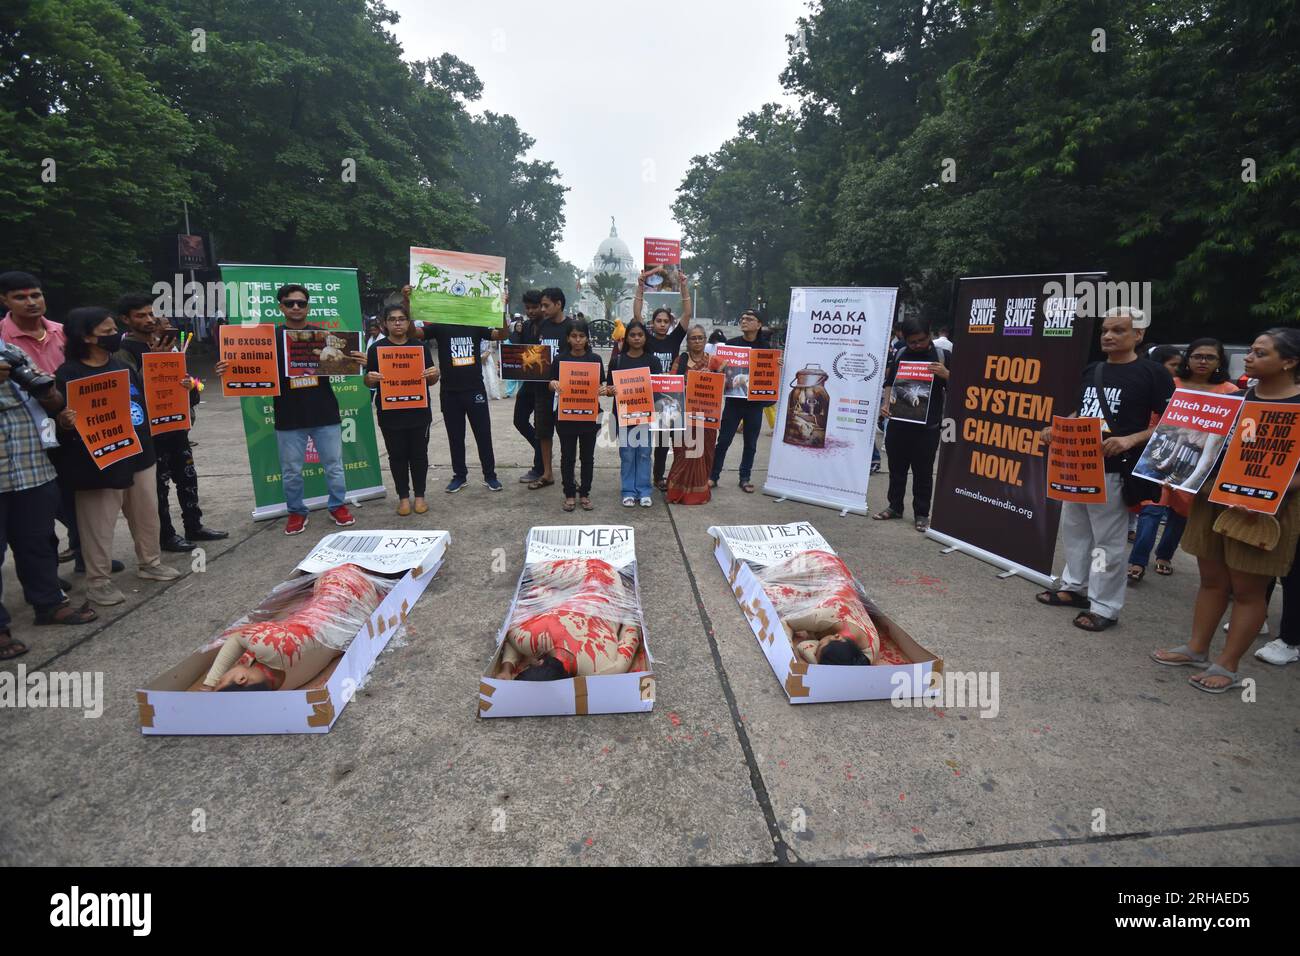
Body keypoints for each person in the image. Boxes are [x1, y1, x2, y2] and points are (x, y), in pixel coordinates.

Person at [1152, 328, 1300, 690]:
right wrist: (1177, 467)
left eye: (1261, 353)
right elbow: (1203, 444)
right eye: (1250, 351)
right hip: (1213, 498)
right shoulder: (1234, 398)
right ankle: (1196, 648)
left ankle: (1227, 665)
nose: (1249, 358)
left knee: (1248, 591)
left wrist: (1264, 494)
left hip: (1263, 511)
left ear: (1290, 362)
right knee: (1212, 581)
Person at [1037, 307, 1175, 631]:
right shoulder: (1094, 370)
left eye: (1118, 330)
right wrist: (1058, 427)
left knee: (1108, 543)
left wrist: (1131, 439)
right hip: (1077, 465)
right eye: (1104, 330)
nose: (1109, 336)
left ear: (1138, 335)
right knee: (1075, 533)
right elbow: (1084, 410)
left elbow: (1173, 423)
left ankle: (1104, 606)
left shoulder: (1152, 374)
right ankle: (1074, 588)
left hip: (1114, 469)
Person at [54, 308, 182, 606]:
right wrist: (65, 421)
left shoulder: (121, 366)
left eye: (114, 330)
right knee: (97, 525)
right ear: (86, 337)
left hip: (139, 451)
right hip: (98, 460)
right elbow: (61, 419)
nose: (113, 336)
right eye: (107, 331)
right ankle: (98, 582)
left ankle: (150, 563)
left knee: (147, 514)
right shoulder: (69, 373)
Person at [214, 284, 363, 535]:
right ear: (280, 306)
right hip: (288, 415)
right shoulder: (268, 339)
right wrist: (227, 369)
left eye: (301, 303)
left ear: (308, 306)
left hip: (324, 413)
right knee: (292, 470)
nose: (296, 307)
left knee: (334, 466)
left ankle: (337, 506)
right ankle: (296, 511)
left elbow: (345, 362)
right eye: (290, 303)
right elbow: (244, 363)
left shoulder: (324, 337)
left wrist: (358, 360)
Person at [0, 332, 97, 657]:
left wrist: (47, 390)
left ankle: (49, 603)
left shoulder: (11, 352)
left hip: (32, 467)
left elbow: (54, 405)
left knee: (39, 542)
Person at [115, 294, 227, 553]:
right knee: (158, 486)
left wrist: (190, 387)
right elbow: (130, 391)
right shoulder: (123, 352)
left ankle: (194, 526)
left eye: (150, 313)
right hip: (149, 431)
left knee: (187, 477)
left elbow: (184, 380)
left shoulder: (168, 345)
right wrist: (154, 362)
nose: (149, 319)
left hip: (176, 424)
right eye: (140, 315)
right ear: (126, 319)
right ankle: (166, 535)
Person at [1128, 339, 1236, 581]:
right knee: (1152, 508)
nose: (1202, 361)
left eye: (1210, 357)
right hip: (1161, 452)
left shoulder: (1229, 391)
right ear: (1188, 358)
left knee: (1181, 512)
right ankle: (1137, 561)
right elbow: (1155, 415)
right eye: (1197, 356)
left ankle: (1165, 555)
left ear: (1220, 362)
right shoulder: (1171, 384)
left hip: (1198, 460)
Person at [399, 286, 510, 493]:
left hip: (475, 389)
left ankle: (490, 475)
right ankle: (460, 476)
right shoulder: (440, 326)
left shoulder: (475, 325)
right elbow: (414, 332)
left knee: (483, 434)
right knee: (455, 436)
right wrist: (408, 303)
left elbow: (502, 334)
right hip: (450, 391)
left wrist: (502, 308)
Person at [873, 317, 950, 532]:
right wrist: (886, 404)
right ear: (904, 339)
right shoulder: (900, 353)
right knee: (896, 469)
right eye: (912, 342)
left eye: (921, 340)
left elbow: (964, 388)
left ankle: (922, 514)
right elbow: (890, 383)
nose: (917, 345)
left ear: (930, 334)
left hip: (927, 428)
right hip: (898, 423)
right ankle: (894, 506)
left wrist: (947, 374)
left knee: (923, 473)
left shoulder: (942, 355)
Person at [365, 304, 438, 516]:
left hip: (418, 411)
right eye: (392, 319)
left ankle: (420, 496)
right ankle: (403, 498)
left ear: (408, 323)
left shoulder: (420, 347)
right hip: (390, 413)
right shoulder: (376, 350)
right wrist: (368, 379)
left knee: (419, 455)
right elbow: (369, 382)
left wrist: (435, 374)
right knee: (396, 456)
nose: (397, 322)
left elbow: (432, 380)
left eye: (402, 319)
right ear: (385, 324)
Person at [633, 268, 694, 489]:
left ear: (669, 323)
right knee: (642, 439)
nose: (661, 324)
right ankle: (639, 475)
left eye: (665, 321)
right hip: (647, 395)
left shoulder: (674, 339)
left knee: (662, 440)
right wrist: (640, 287)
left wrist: (684, 286)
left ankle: (658, 477)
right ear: (653, 322)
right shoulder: (646, 338)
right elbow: (637, 316)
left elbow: (687, 315)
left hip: (669, 397)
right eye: (657, 320)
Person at [709, 310, 775, 493]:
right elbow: (716, 374)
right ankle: (713, 476)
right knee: (723, 441)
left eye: (749, 319)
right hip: (733, 403)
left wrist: (776, 365)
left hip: (754, 405)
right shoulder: (731, 345)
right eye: (743, 318)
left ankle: (745, 478)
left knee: (751, 444)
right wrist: (718, 367)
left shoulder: (766, 348)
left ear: (759, 324)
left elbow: (772, 375)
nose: (744, 321)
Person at [550, 321, 605, 512]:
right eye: (574, 336)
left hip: (590, 416)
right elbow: (550, 382)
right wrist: (554, 383)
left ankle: (585, 493)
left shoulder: (595, 359)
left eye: (582, 336)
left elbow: (600, 386)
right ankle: (569, 494)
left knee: (587, 457)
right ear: (568, 338)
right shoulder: (559, 360)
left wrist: (604, 390)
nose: (578, 340)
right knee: (567, 457)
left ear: (587, 338)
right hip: (566, 416)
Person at [666, 325, 722, 504]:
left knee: (704, 453)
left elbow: (729, 383)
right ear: (687, 341)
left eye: (700, 338)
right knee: (683, 455)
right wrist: (690, 380)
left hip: (706, 417)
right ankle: (677, 491)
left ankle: (699, 492)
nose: (697, 341)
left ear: (705, 340)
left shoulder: (714, 361)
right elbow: (670, 384)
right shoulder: (680, 361)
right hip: (684, 416)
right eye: (693, 338)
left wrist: (711, 376)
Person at [527, 288, 575, 490]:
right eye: (542, 305)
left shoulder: (571, 327)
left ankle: (569, 475)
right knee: (543, 432)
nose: (543, 309)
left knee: (567, 435)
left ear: (559, 304)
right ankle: (547, 473)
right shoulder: (542, 326)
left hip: (565, 391)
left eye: (547, 305)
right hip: (543, 388)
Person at [606, 320, 656, 507]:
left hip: (645, 416)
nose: (636, 338)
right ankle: (628, 490)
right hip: (624, 415)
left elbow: (657, 389)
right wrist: (611, 390)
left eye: (640, 335)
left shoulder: (653, 361)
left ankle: (644, 491)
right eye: (632, 335)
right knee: (627, 453)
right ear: (626, 337)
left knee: (644, 453)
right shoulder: (618, 360)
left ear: (645, 337)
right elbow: (609, 387)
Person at [511, 290, 546, 482]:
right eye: (528, 308)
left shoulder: (549, 327)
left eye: (535, 307)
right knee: (519, 420)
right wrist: (517, 332)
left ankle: (539, 466)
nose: (531, 311)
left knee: (541, 427)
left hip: (546, 385)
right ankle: (543, 452)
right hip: (529, 382)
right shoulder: (524, 326)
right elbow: (515, 348)